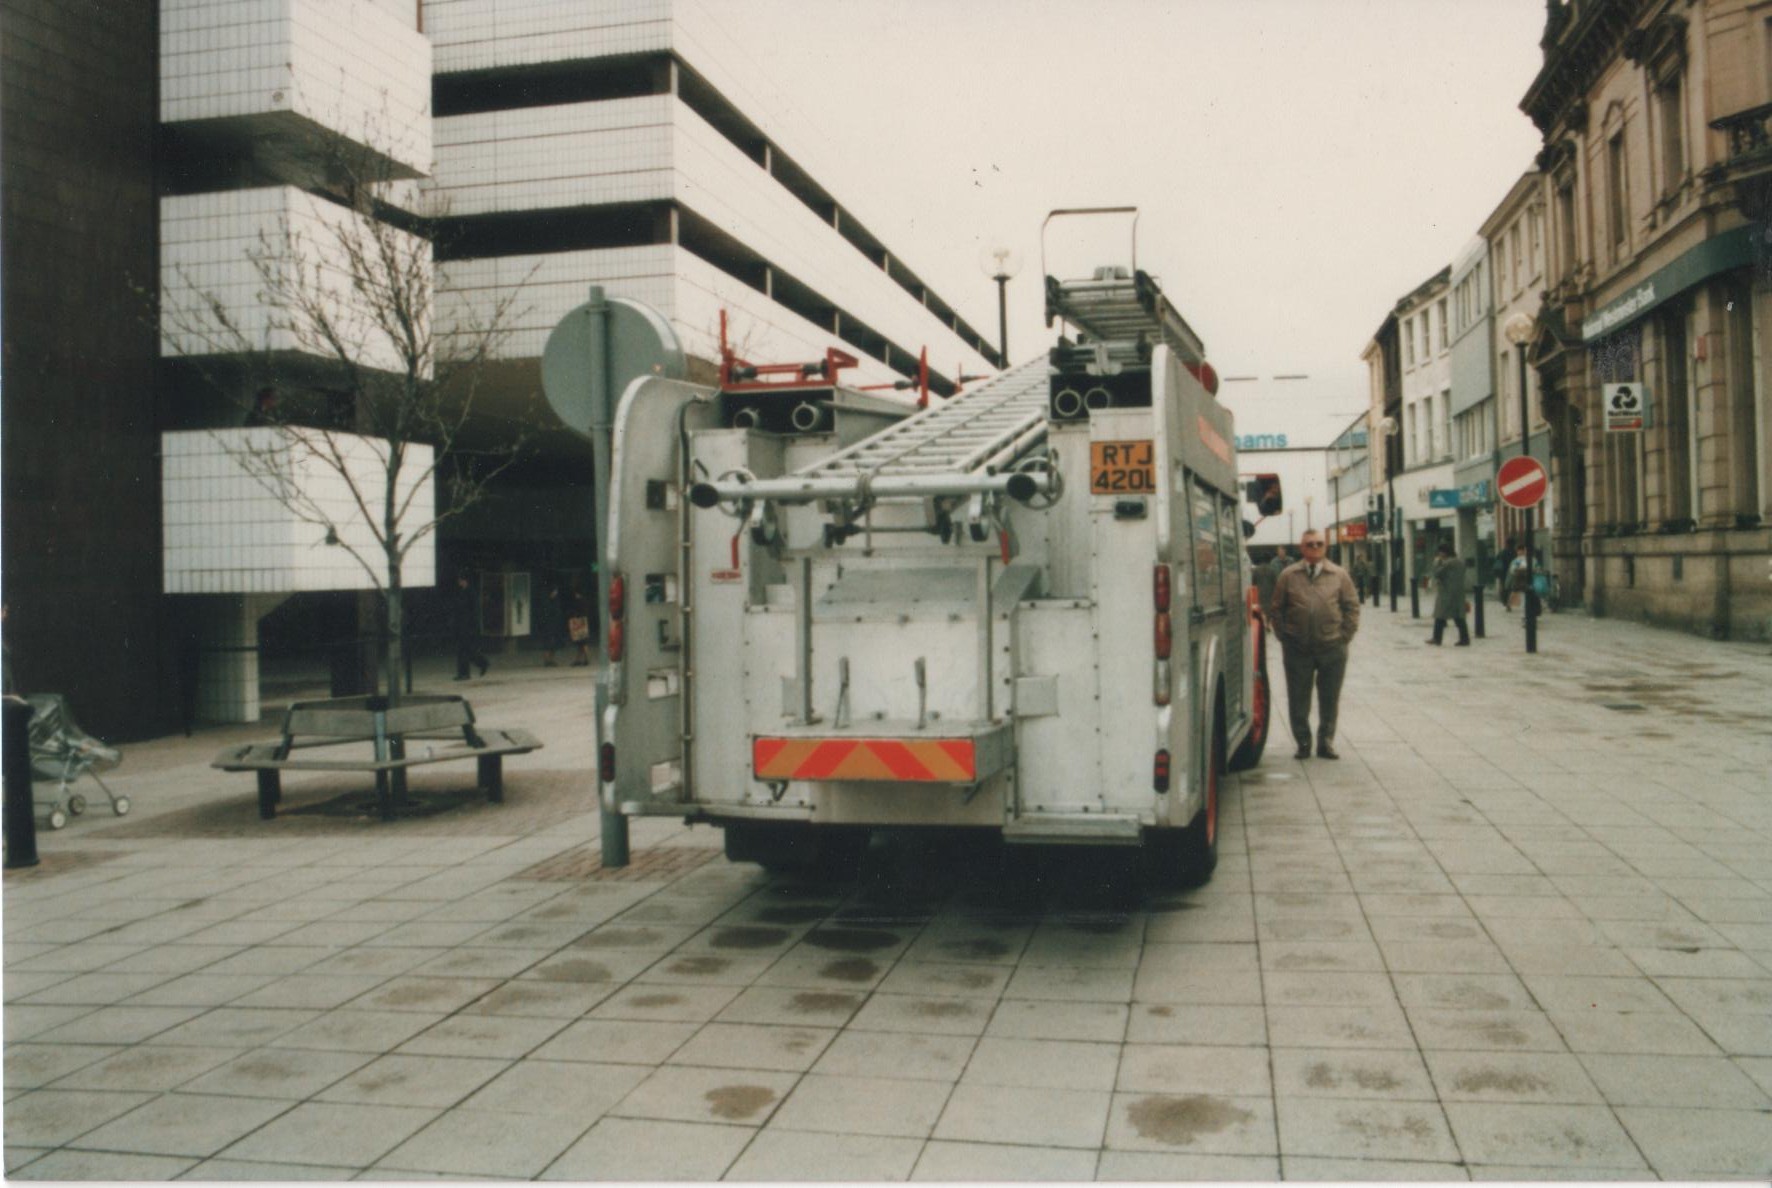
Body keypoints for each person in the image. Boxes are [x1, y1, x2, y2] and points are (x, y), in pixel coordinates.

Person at [1267, 530, 1360, 761]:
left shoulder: (1339, 575)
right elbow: (1277, 609)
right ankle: (1303, 742)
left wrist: (1343, 637)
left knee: (1329, 698)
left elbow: (1351, 607)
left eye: (1319, 543)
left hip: (1332, 648)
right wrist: (1284, 637)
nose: (1315, 547)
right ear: (1302, 548)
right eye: (1310, 544)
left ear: (1325, 546)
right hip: (1298, 649)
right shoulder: (1289, 575)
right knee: (1298, 698)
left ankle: (1326, 742)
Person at [1427, 543, 1471, 646]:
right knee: (1459, 617)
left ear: (1444, 552)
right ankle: (1465, 639)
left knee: (1439, 616)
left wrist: (1436, 563)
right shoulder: (1460, 562)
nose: (1439, 555)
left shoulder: (1447, 563)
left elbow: (1437, 573)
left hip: (1446, 593)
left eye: (1440, 552)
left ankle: (1437, 638)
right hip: (1458, 593)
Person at [451, 572, 490, 681]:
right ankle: (479, 665)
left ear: (464, 581)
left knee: (464, 650)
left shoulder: (470, 593)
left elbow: (474, 611)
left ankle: (468, 671)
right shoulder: (462, 592)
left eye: (460, 580)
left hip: (468, 626)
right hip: (462, 625)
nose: (459, 582)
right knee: (465, 650)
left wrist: (473, 626)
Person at [536, 580, 568, 667]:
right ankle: (547, 659)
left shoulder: (553, 601)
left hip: (553, 624)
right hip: (549, 624)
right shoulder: (547, 601)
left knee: (552, 643)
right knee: (548, 642)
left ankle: (551, 659)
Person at [566, 580, 593, 667]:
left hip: (578, 622)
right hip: (583, 621)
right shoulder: (585, 600)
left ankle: (586, 659)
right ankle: (580, 659)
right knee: (582, 643)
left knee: (581, 642)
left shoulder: (578, 601)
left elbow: (575, 611)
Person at [1506, 544, 1531, 612]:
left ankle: (1509, 605)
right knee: (1515, 590)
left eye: (1522, 551)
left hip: (1522, 577)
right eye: (1519, 551)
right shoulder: (1517, 560)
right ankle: (1509, 604)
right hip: (1518, 577)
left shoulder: (1525, 559)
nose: (1520, 552)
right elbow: (1512, 569)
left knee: (1518, 591)